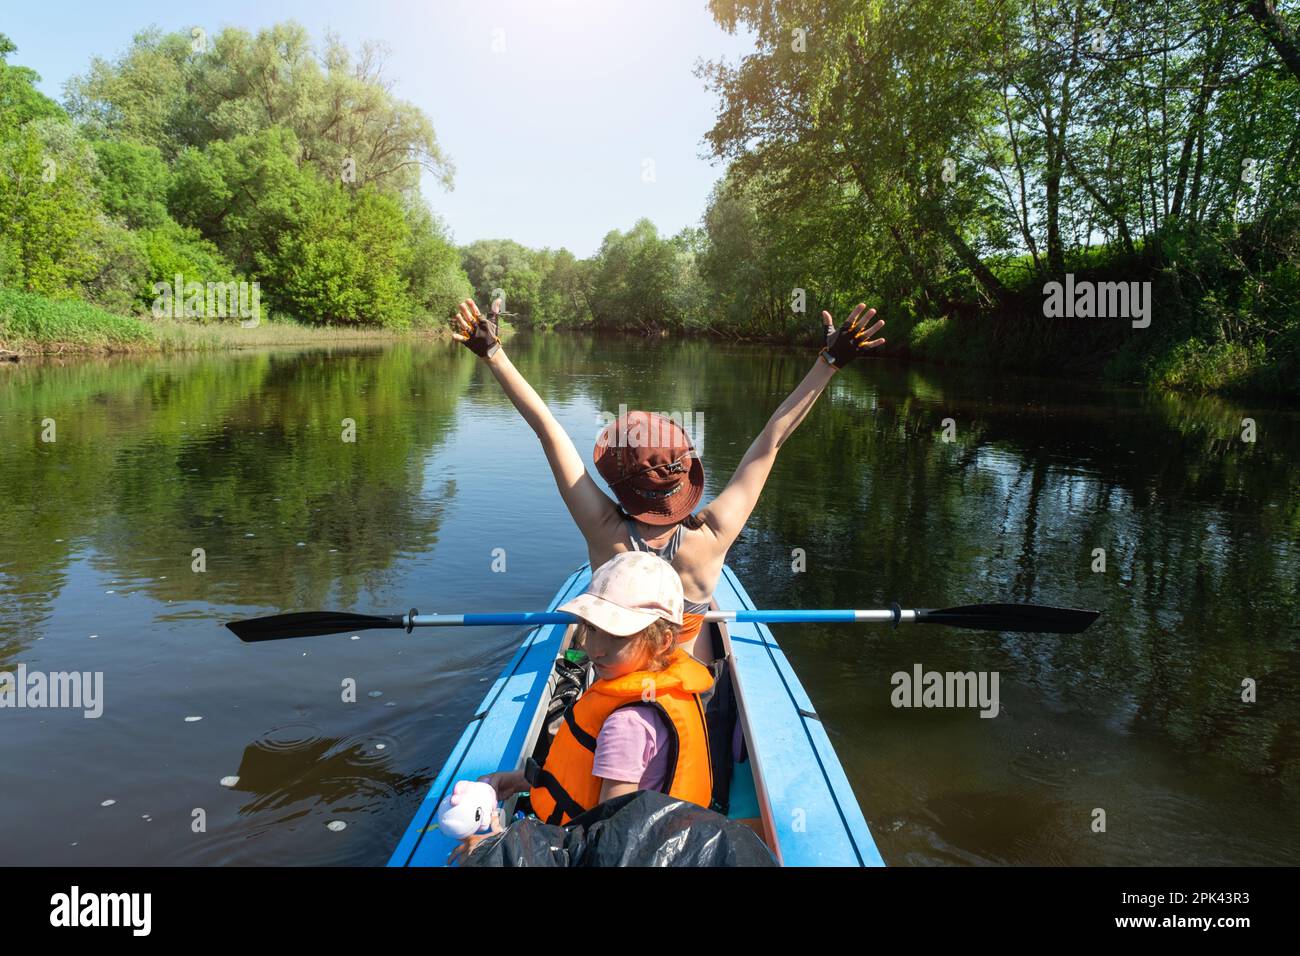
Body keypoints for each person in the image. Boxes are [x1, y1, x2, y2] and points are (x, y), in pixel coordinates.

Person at [450, 296, 885, 660]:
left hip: (612, 678)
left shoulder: (604, 531)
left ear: (621, 484)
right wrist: (830, 361)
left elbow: (549, 430)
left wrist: (493, 352)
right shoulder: (712, 536)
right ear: (684, 481)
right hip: (682, 686)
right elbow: (771, 440)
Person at [449, 551, 713, 863]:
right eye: (590, 627)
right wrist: (523, 780)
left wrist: (498, 844)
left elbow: (611, 843)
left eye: (615, 635)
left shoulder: (626, 724)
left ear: (664, 641)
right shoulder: (666, 687)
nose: (593, 647)